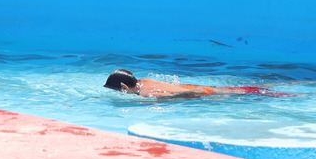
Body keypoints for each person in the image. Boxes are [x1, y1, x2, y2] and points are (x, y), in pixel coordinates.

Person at [103, 69, 285, 98]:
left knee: (247, 94)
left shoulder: (145, 94)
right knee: (244, 90)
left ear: (124, 88)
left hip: (195, 92)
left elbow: (173, 96)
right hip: (189, 86)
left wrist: (196, 93)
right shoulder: (144, 81)